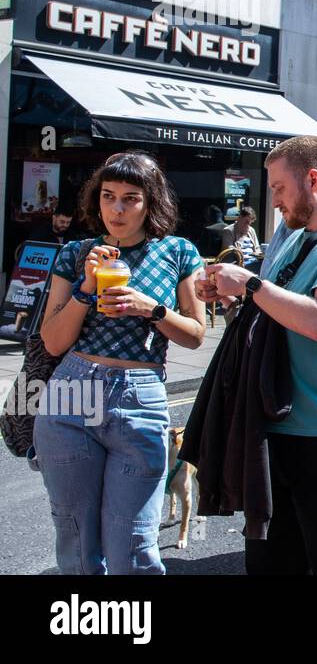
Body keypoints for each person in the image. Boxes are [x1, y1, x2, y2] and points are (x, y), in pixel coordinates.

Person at [198, 136, 317, 574]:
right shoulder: (292, 235)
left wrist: (247, 283)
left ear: (314, 180)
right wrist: (229, 296)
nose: (275, 199)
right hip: (273, 421)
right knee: (270, 560)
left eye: (280, 188)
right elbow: (272, 308)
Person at [33, 151, 207, 574]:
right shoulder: (77, 253)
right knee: (75, 538)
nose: (117, 209)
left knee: (133, 543)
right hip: (73, 391)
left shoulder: (179, 252)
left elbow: (196, 334)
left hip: (140, 392)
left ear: (151, 203)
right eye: (108, 196)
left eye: (130, 198)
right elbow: (53, 343)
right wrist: (86, 289)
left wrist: (152, 309)